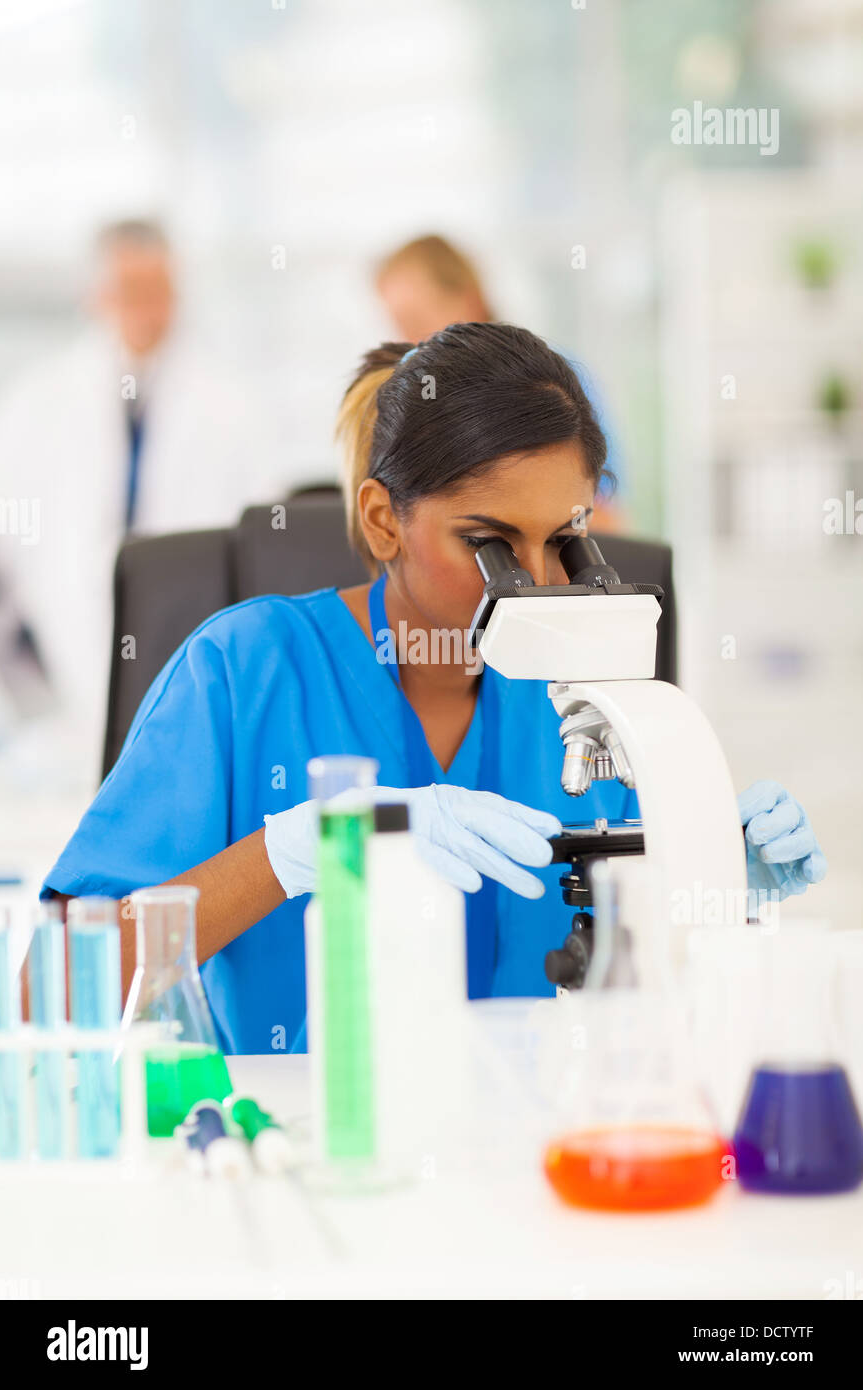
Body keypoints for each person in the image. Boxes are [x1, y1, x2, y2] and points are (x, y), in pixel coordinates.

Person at [40, 324, 826, 1055]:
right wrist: (294, 851)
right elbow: (58, 993)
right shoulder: (244, 671)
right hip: (306, 1150)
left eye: (563, 543)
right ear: (384, 521)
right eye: (489, 545)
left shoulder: (591, 694)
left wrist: (720, 889)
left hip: (536, 1146)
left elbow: (660, 1002)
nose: (537, 584)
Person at [0, 219, 287, 782]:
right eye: (130, 290)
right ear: (97, 295)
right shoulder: (35, 404)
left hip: (193, 666)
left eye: (159, 290)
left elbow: (263, 550)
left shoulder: (230, 407)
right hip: (61, 694)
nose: (146, 307)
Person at [374, 234, 629, 533]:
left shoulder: (554, 383)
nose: (405, 343)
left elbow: (609, 519)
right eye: (397, 325)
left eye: (415, 321)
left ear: (470, 301)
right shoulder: (418, 397)